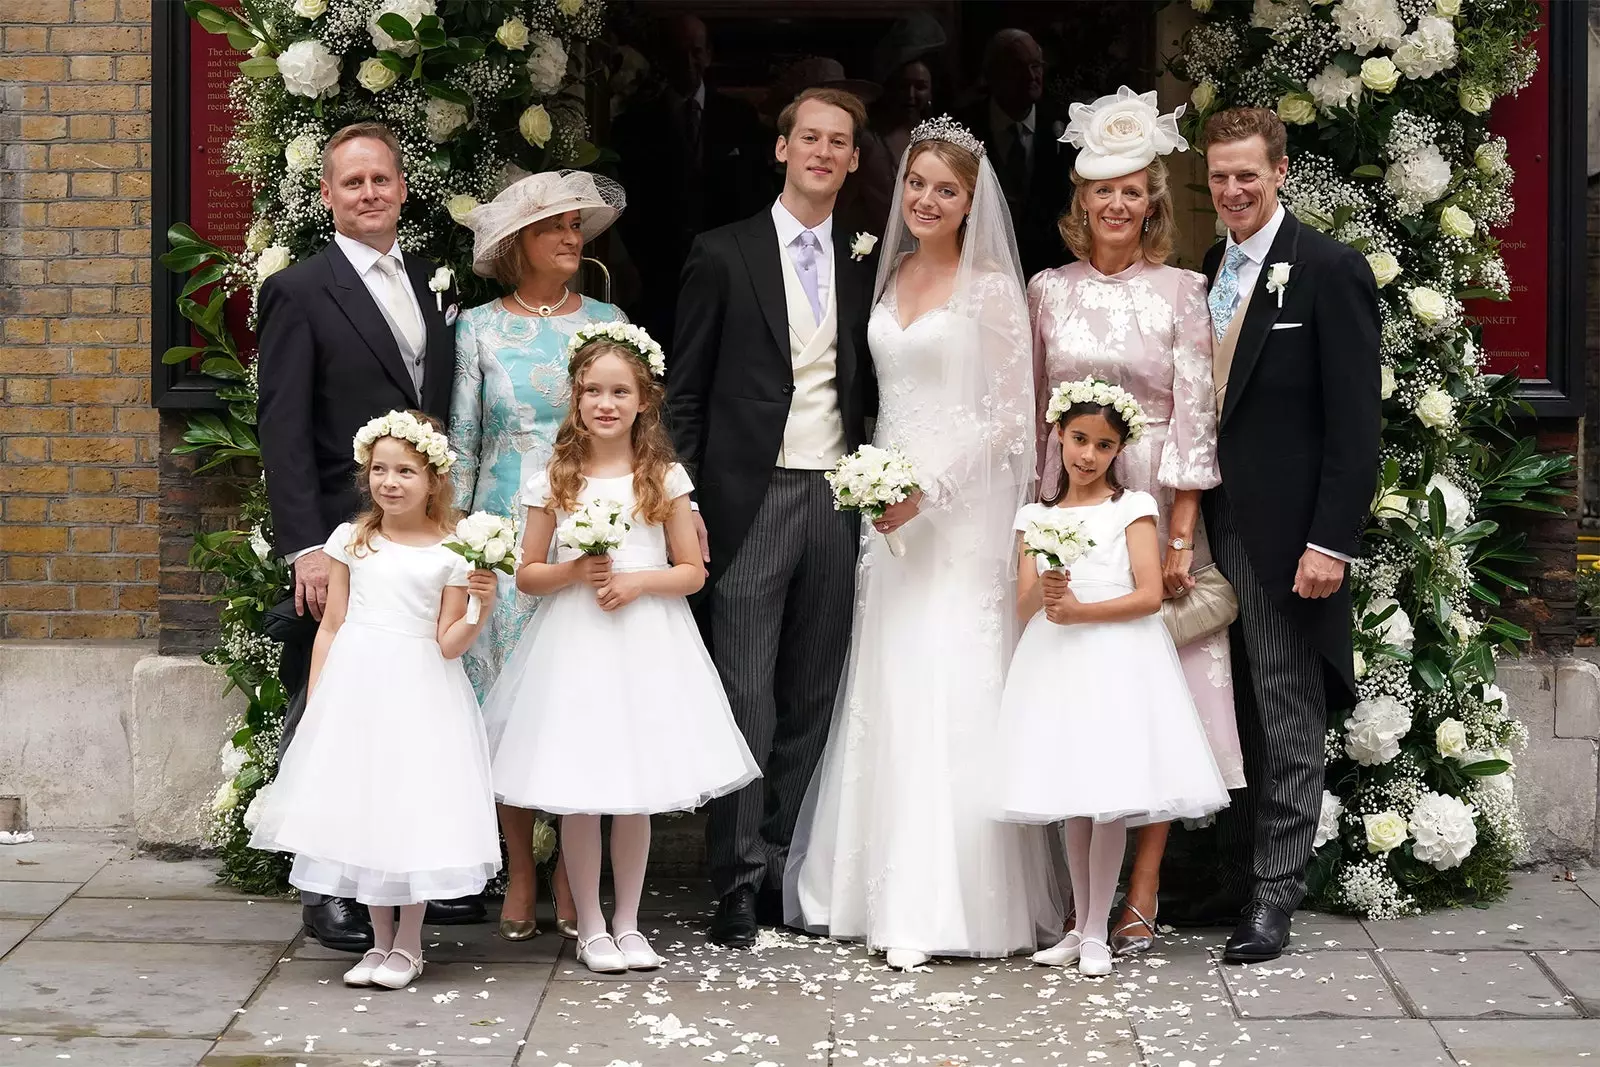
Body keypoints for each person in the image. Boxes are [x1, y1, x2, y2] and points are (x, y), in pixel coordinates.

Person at [784, 115, 1060, 970]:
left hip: (959, 518)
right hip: (886, 519)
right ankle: (871, 888)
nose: (927, 200)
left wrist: (927, 491)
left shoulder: (989, 291)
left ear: (974, 204)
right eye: (916, 184)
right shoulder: (890, 270)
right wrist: (880, 486)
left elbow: (1012, 420)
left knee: (950, 680)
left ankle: (950, 903)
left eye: (947, 190)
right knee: (887, 679)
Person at [1027, 87, 1244, 958]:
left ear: (1151, 202)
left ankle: (1143, 886)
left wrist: (1183, 530)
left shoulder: (1184, 290)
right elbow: (1034, 409)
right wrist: (1042, 519)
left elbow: (1196, 412)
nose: (1117, 205)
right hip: (1076, 501)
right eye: (1101, 190)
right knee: (1084, 687)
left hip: (1155, 499)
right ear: (1081, 201)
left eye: (1133, 191)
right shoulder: (1048, 290)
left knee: (1164, 692)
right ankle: (1083, 899)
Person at [256, 121, 479, 951]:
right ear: (326, 196)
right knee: (334, 710)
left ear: (402, 188)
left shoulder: (430, 280)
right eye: (351, 183)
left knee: (412, 716)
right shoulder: (301, 290)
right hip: (345, 539)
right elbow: (281, 427)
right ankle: (329, 889)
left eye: (380, 179)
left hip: (420, 537)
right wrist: (307, 547)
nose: (369, 193)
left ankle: (412, 873)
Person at [1164, 108, 1380, 963]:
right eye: (1219, 176)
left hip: (1288, 537)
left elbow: (1354, 426)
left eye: (1247, 174)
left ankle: (1274, 898)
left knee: (1288, 712)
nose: (1233, 190)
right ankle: (1231, 870)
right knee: (1228, 703)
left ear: (1280, 171)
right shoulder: (1213, 265)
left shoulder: (1328, 269)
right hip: (1212, 525)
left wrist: (1330, 541)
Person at [668, 87, 878, 949]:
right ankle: (736, 878)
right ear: (781, 149)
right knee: (744, 690)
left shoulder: (872, 259)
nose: (824, 152)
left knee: (815, 690)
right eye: (810, 138)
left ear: (857, 160)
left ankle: (790, 861)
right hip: (748, 497)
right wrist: (682, 499)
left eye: (840, 142)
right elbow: (681, 394)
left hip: (838, 497)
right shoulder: (722, 254)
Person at [482, 328, 759, 974]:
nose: (605, 403)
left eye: (619, 391)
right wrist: (575, 572)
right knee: (583, 788)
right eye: (593, 391)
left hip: (646, 640)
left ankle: (630, 921)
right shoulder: (554, 476)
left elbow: (691, 571)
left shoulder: (662, 476)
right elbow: (526, 572)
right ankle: (593, 925)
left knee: (633, 790)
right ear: (576, 399)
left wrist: (636, 580)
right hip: (576, 641)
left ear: (644, 401)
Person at [250, 411, 502, 990]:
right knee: (366, 806)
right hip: (357, 687)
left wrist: (479, 611)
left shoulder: (452, 551)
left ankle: (408, 944)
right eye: (380, 470)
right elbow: (332, 625)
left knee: (407, 805)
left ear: (433, 479)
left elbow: (447, 645)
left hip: (418, 689)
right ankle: (378, 942)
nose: (391, 482)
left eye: (406, 471)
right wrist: (319, 698)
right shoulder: (351, 540)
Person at [998, 381, 1230, 978]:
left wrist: (1081, 612)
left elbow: (1150, 595)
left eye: (1103, 445)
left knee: (1106, 803)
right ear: (1059, 435)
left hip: (1117, 657)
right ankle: (1079, 929)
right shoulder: (1035, 514)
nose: (1087, 455)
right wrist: (1049, 589)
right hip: (1057, 661)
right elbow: (1024, 605)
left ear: (1118, 449)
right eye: (1079, 439)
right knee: (1076, 798)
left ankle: (1100, 928)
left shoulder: (1133, 508)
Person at [452, 170, 629, 943]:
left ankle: (572, 868)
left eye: (576, 227)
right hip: (502, 522)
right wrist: (458, 548)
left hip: (586, 526)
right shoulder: (479, 329)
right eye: (554, 227)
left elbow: (633, 422)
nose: (570, 239)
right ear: (516, 244)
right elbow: (461, 442)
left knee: (574, 697)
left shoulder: (609, 320)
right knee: (505, 703)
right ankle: (518, 864)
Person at [612, 13, 767, 346]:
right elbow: (628, 205)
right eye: (677, 51)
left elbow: (756, 195)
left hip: (730, 276)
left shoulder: (739, 118)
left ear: (708, 54)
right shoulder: (633, 126)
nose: (688, 61)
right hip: (658, 281)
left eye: (696, 51)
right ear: (661, 57)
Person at [955, 29, 1073, 279]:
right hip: (979, 270)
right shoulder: (964, 127)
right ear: (992, 75)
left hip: (1050, 271)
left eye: (1036, 66)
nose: (1031, 76)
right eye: (1018, 67)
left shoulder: (1063, 125)